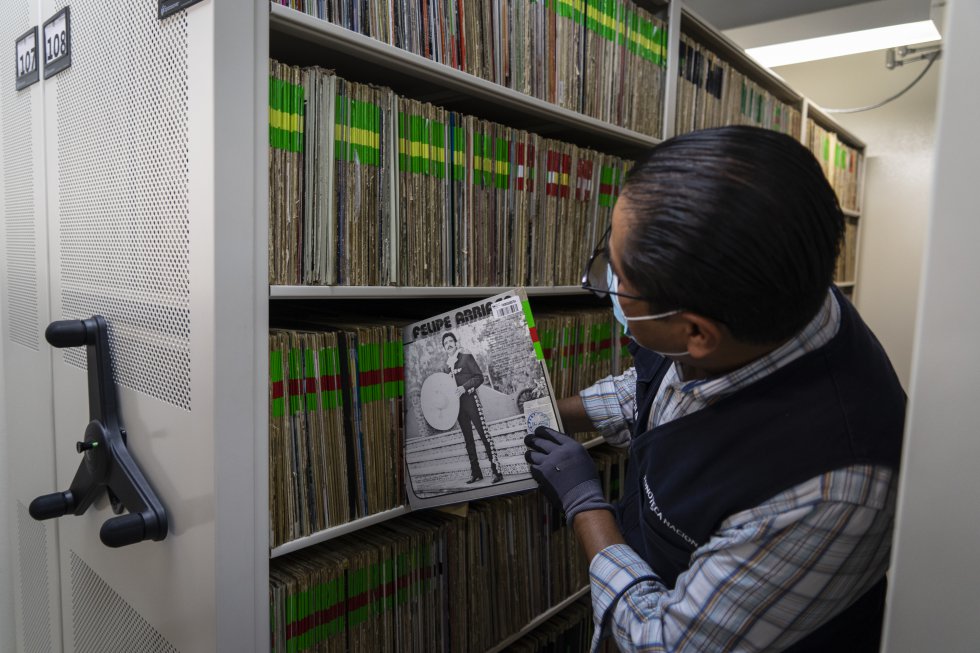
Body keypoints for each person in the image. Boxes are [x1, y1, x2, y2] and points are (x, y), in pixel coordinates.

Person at [525, 125, 905, 652]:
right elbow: (661, 387)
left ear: (696, 333)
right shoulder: (762, 296)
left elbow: (666, 643)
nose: (605, 281)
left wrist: (585, 505)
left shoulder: (828, 494)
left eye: (618, 277)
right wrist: (548, 413)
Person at [443, 331, 503, 484]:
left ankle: (497, 471)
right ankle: (476, 472)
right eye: (446, 343)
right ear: (444, 348)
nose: (449, 344)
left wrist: (464, 387)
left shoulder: (466, 357)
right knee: (468, 440)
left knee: (484, 435)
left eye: (451, 341)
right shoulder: (445, 368)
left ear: (456, 343)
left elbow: (479, 377)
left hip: (471, 401)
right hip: (458, 408)